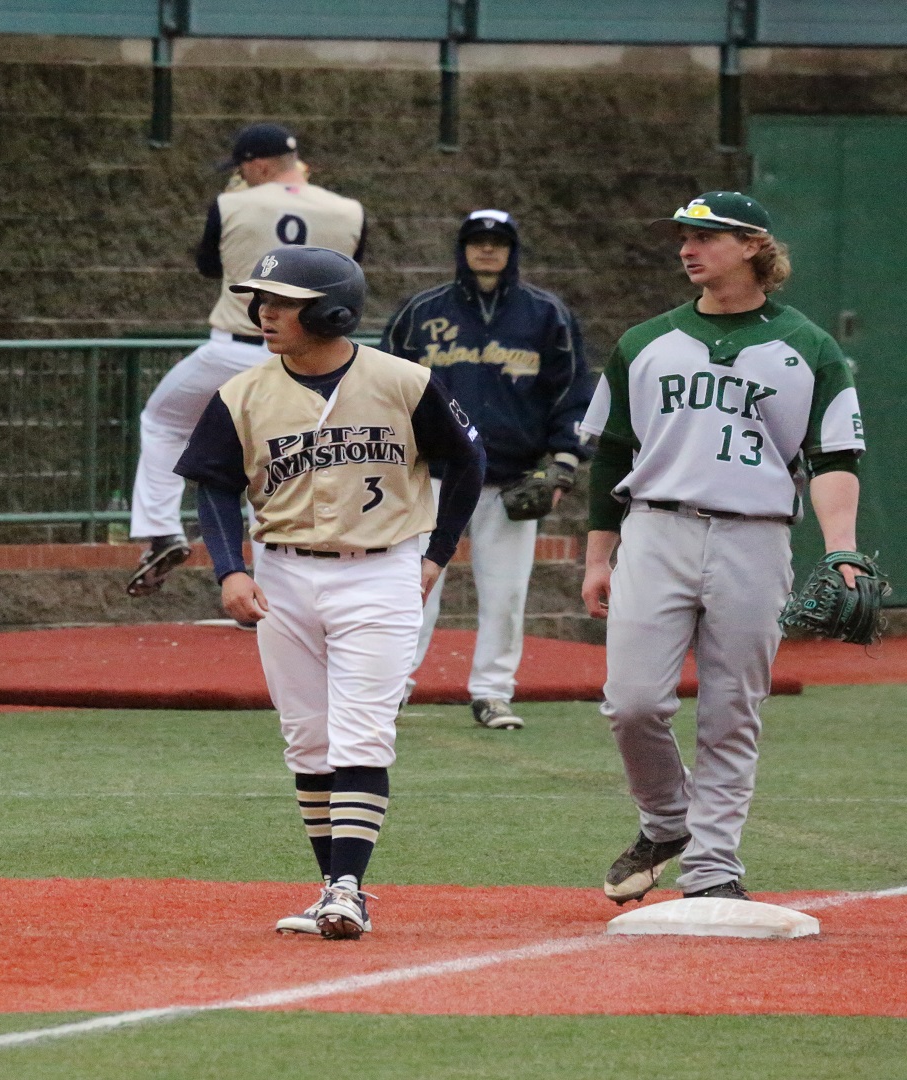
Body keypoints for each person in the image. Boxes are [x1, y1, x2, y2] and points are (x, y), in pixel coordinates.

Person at [174, 246, 483, 938]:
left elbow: (467, 461)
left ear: (331, 311)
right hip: (283, 572)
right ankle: (330, 888)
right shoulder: (243, 393)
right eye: (262, 301)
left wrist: (437, 554)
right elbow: (216, 486)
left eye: (282, 302)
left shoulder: (402, 381)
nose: (264, 313)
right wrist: (231, 568)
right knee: (308, 740)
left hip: (380, 571)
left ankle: (349, 888)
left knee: (362, 731)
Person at [580, 191, 866, 903]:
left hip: (755, 534)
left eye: (706, 235)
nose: (687, 247)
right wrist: (596, 555)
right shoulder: (645, 343)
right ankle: (667, 820)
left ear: (752, 246)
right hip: (656, 528)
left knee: (732, 708)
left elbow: (834, 457)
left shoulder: (809, 348)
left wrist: (842, 550)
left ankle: (713, 869)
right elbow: (612, 452)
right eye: (683, 234)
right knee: (633, 703)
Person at [126, 123, 367, 598]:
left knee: (162, 421)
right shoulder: (349, 209)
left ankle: (161, 531)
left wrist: (237, 205)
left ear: (257, 165)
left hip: (235, 348)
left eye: (242, 168)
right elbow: (350, 275)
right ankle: (277, 586)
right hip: (314, 357)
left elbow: (209, 266)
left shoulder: (232, 203)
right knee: (280, 460)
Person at [379, 209, 594, 730]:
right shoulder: (422, 310)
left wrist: (564, 462)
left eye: (498, 241)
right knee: (415, 588)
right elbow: (384, 382)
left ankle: (494, 692)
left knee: (506, 593)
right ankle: (392, 690)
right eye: (477, 241)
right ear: (462, 247)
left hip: (511, 477)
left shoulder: (546, 314)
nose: (487, 250)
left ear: (513, 248)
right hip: (431, 474)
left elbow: (572, 391)